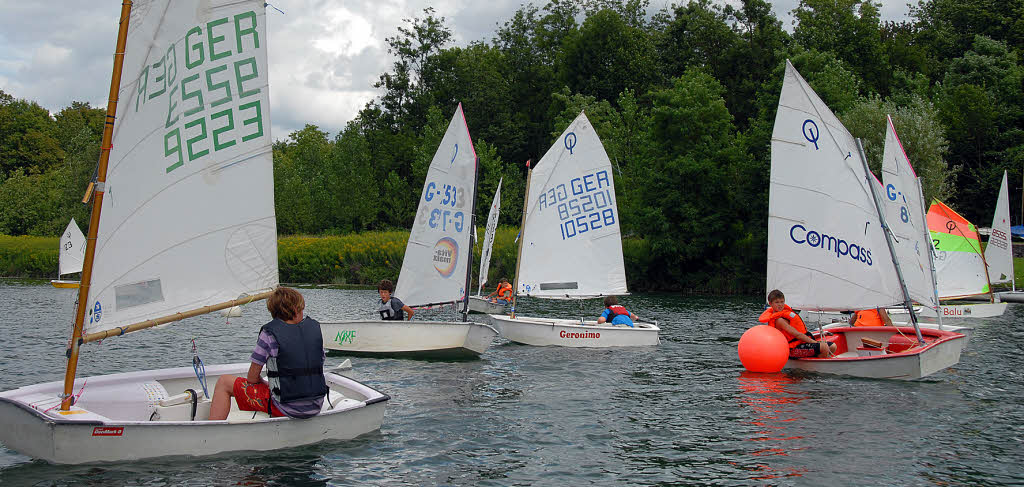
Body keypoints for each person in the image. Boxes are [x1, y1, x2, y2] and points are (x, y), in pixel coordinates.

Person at [209, 287, 329, 420]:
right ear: (295, 310)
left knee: (224, 382)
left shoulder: (269, 334)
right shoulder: (314, 330)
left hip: (286, 407)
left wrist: (266, 383)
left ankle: (212, 431)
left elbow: (252, 379)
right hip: (316, 404)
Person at [759, 289, 836, 358]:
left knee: (833, 346)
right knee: (824, 347)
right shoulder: (779, 320)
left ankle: (815, 359)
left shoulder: (786, 314)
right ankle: (818, 368)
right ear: (770, 304)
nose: (780, 304)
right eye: (777, 302)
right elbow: (797, 335)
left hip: (800, 343)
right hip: (791, 349)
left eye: (782, 302)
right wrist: (815, 342)